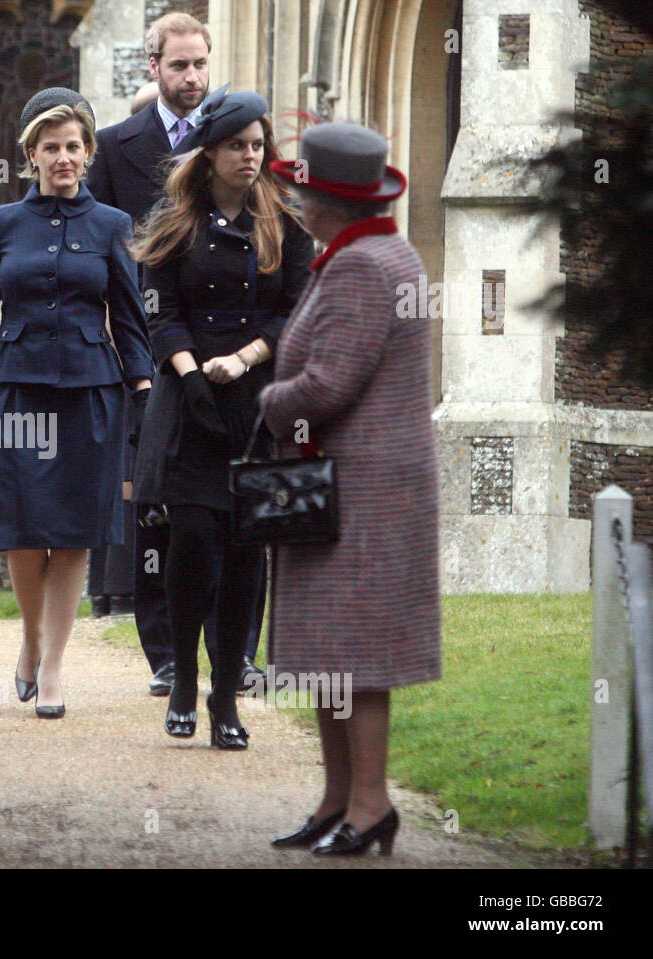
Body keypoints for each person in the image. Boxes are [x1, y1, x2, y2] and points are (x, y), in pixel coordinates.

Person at [262, 122, 439, 854]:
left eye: (305, 190)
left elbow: (329, 382)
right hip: (350, 488)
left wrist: (268, 401)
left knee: (358, 660)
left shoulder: (364, 266)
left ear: (327, 200)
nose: (297, 200)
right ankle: (339, 801)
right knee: (336, 651)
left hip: (360, 493)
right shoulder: (375, 253)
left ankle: (369, 805)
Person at [130, 88, 313, 748]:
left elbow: (292, 311)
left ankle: (224, 695)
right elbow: (161, 310)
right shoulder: (175, 221)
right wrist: (188, 373)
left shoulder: (285, 227)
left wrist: (243, 361)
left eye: (258, 145)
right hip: (190, 403)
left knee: (245, 553)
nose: (250, 155)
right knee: (193, 540)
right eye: (237, 145)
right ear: (208, 154)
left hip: (257, 403)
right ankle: (182, 679)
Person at [0, 88, 154, 719]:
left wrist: (143, 386)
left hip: (91, 390)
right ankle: (30, 637)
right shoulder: (2, 223)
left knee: (75, 534)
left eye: (74, 146)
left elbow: (129, 316)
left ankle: (51, 670)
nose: (64, 157)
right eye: (52, 147)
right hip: (17, 388)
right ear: (32, 154)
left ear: (87, 152)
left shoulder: (111, 225)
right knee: (23, 531)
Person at [86, 11, 219, 697]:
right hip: (143, 349)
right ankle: (165, 653)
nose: (192, 77)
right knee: (154, 506)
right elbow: (101, 255)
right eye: (179, 66)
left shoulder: (237, 137)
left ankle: (232, 652)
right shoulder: (114, 148)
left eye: (200, 64)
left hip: (225, 350)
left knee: (229, 505)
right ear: (154, 69)